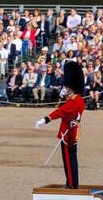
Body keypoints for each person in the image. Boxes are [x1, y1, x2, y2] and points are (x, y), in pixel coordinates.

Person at [35, 60, 85, 189]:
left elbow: (60, 112)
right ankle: (73, 183)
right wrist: (66, 97)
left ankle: (71, 184)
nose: (65, 89)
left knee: (68, 160)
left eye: (66, 88)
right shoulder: (78, 100)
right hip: (74, 132)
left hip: (67, 133)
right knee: (73, 159)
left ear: (71, 87)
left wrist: (45, 119)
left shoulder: (72, 102)